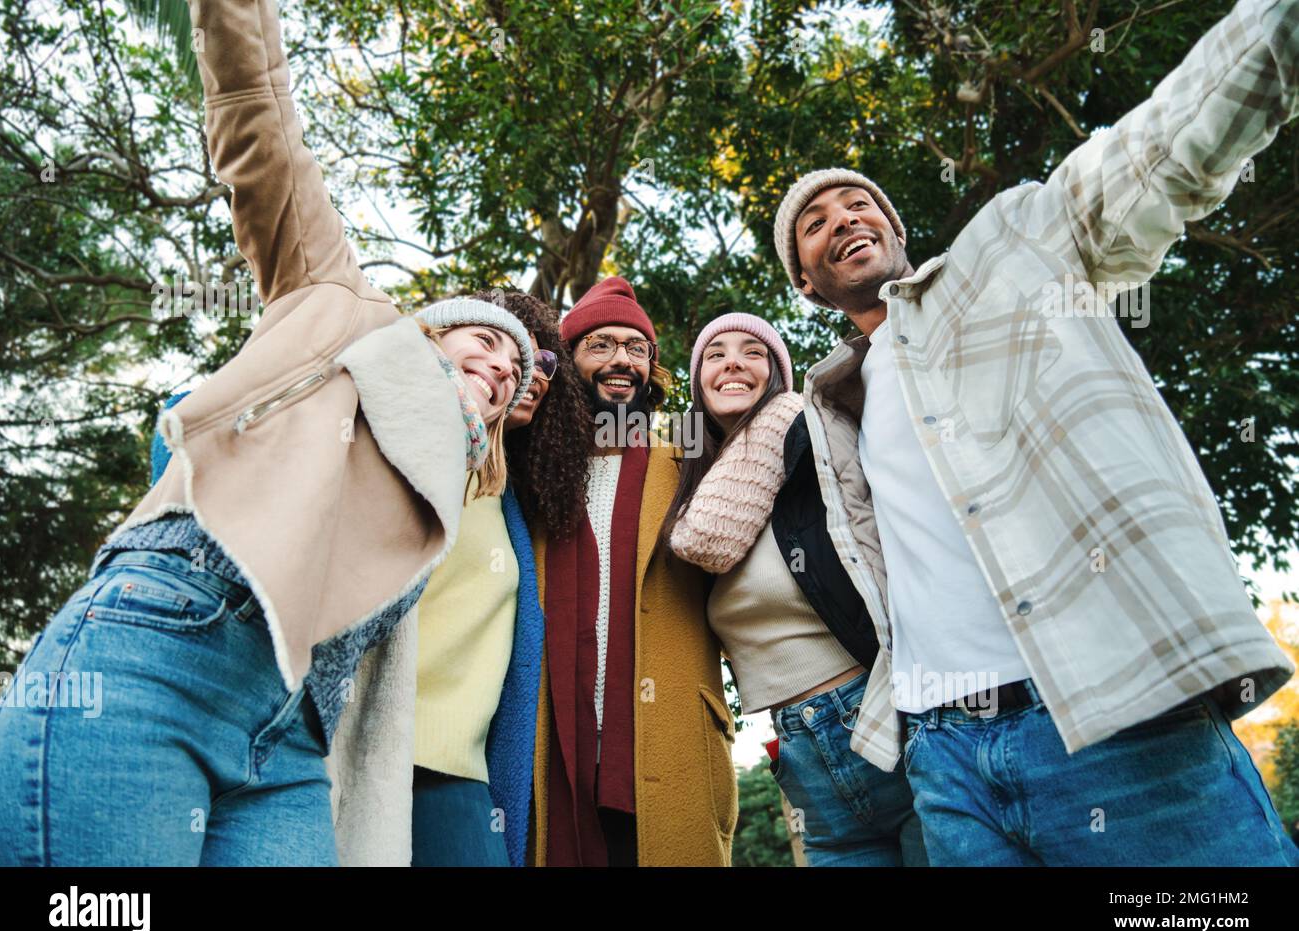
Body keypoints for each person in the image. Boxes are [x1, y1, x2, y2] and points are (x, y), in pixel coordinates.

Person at [0, 0, 533, 866]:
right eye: (487, 342)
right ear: (430, 334)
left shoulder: (453, 488)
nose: (504, 369)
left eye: (516, 373)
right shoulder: (344, 308)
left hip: (288, 737)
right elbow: (262, 121)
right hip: (164, 639)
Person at [772, 0, 1299, 865]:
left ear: (897, 231)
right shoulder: (832, 406)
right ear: (805, 280)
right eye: (817, 222)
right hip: (943, 764)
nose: (845, 218)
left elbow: (1156, 154)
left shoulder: (1011, 253)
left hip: (1111, 722)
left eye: (860, 202)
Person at [666, 313, 927, 867]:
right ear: (697, 383)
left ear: (778, 377)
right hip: (798, 750)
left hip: (877, 715)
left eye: (753, 352)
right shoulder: (692, 484)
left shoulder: (812, 440)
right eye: (715, 354)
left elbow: (707, 540)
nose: (733, 361)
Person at [531, 276, 738, 866]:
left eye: (637, 347)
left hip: (668, 742)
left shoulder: (691, 464)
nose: (622, 358)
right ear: (568, 363)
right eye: (600, 345)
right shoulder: (536, 476)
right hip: (553, 755)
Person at [407, 290, 593, 867]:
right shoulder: (388, 436)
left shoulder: (508, 496)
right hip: (354, 750)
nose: (520, 372)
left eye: (538, 365)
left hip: (457, 771)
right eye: (496, 344)